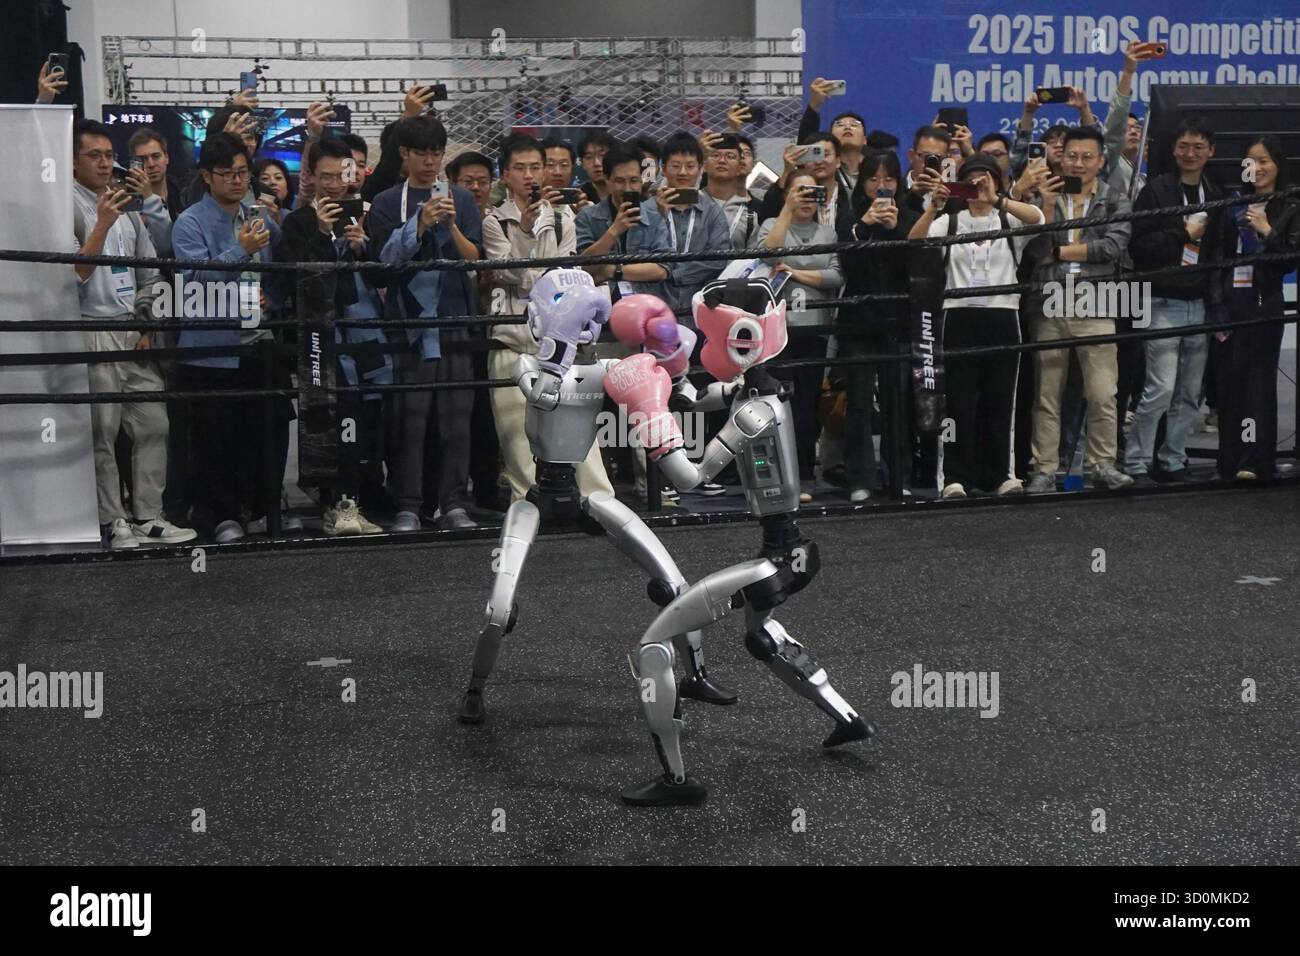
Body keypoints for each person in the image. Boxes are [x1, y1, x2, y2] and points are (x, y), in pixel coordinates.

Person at [70, 119, 193, 548]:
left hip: (132, 331)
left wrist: (146, 321)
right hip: (91, 328)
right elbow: (74, 273)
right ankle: (112, 519)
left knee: (153, 423)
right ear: (72, 160)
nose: (105, 164)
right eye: (94, 156)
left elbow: (151, 272)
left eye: (109, 155)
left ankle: (149, 515)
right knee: (102, 429)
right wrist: (102, 223)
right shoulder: (67, 204)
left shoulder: (127, 205)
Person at [172, 132, 292, 542]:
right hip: (211, 351)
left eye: (243, 173)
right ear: (207, 176)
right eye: (228, 174)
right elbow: (190, 280)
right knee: (214, 441)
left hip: (260, 344)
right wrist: (239, 251)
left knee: (265, 431)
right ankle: (220, 515)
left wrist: (271, 300)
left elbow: (279, 271)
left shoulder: (257, 214)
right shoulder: (189, 221)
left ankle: (260, 508)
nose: (238, 181)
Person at [482, 134, 614, 503]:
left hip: (560, 342)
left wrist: (537, 266)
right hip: (510, 340)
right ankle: (529, 509)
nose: (530, 176)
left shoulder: (562, 216)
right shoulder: (495, 222)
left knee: (578, 427)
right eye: (520, 169)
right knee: (517, 437)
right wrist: (525, 231)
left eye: (535, 168)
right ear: (505, 175)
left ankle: (597, 502)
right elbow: (519, 278)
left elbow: (563, 276)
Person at [367, 113, 483, 531]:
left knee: (456, 421)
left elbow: (473, 260)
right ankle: (408, 505)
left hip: (453, 318)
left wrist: (450, 226)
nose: (430, 161)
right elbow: (382, 265)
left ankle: (453, 503)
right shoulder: (385, 202)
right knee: (409, 422)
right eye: (422, 153)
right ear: (405, 153)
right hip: (408, 324)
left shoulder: (463, 200)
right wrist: (417, 224)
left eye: (436, 152)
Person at [908, 154, 1045, 498]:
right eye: (971, 179)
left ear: (998, 181)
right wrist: (933, 208)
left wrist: (997, 199)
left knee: (1001, 401)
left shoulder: (1007, 218)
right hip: (958, 316)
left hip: (1003, 314)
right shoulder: (949, 222)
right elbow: (914, 243)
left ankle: (1001, 475)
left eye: (986, 177)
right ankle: (954, 477)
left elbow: (1039, 220)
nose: (978, 184)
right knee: (958, 403)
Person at [280, 136, 388, 535]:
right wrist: (323, 235)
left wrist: (363, 247)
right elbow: (297, 280)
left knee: (365, 423)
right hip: (320, 340)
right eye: (324, 176)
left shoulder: (362, 213)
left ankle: (357, 500)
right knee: (328, 423)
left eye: (339, 174)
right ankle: (335, 503)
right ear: (310, 176)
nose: (332, 184)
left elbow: (382, 275)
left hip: (366, 337)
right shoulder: (297, 222)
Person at [1022, 127, 1135, 493]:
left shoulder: (1116, 199)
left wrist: (1060, 252)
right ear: (1061, 157)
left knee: (1103, 392)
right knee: (1047, 394)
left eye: (1088, 157)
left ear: (1101, 161)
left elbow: (1112, 246)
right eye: (1073, 156)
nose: (1079, 163)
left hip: (1097, 300)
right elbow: (1035, 249)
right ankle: (1043, 468)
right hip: (1049, 301)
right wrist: (1048, 208)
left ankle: (1103, 463)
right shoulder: (1046, 197)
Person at [1124, 117, 1227, 484]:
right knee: (1160, 389)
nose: (1190, 153)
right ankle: (1136, 462)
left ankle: (1173, 459)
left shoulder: (1216, 196)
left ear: (1211, 152)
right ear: (1173, 150)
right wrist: (1182, 232)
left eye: (1199, 147)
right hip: (1160, 301)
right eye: (1184, 146)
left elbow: (1219, 254)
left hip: (1199, 303)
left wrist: (1216, 304)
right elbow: (1139, 247)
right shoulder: (1155, 191)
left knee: (1189, 392)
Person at [1214, 135, 1300, 482]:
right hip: (1228, 302)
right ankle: (1229, 457)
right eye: (1251, 160)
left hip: (1265, 302)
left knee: (1258, 383)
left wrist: (1266, 231)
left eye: (1264, 160)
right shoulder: (1232, 204)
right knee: (1228, 382)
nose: (1258, 167)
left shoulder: (1290, 205)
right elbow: (1216, 257)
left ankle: (1254, 458)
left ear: (1277, 165)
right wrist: (1215, 302)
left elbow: (1288, 261)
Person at [756, 171, 844, 500]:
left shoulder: (828, 231)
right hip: (778, 331)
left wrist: (794, 272)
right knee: (779, 405)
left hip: (815, 328)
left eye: (812, 192)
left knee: (808, 404)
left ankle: (805, 474)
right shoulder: (771, 224)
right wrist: (786, 210)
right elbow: (767, 253)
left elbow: (836, 275)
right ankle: (779, 476)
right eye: (799, 191)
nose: (806, 198)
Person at [839, 149, 919, 501]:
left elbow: (919, 259)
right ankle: (859, 478)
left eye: (888, 179)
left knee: (897, 401)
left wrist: (896, 228)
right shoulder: (850, 215)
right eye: (873, 178)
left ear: (898, 182)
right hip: (859, 320)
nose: (881, 186)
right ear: (863, 182)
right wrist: (867, 224)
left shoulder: (910, 215)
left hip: (899, 320)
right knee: (857, 402)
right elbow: (845, 257)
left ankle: (898, 474)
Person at [446, 150, 494, 216]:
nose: (475, 187)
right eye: (468, 181)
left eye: (483, 182)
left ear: (490, 186)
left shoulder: (498, 222)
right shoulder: (442, 222)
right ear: (452, 185)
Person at [578, 131, 615, 203]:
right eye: (589, 157)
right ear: (582, 163)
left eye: (602, 155)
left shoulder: (625, 193)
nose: (597, 163)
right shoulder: (579, 196)